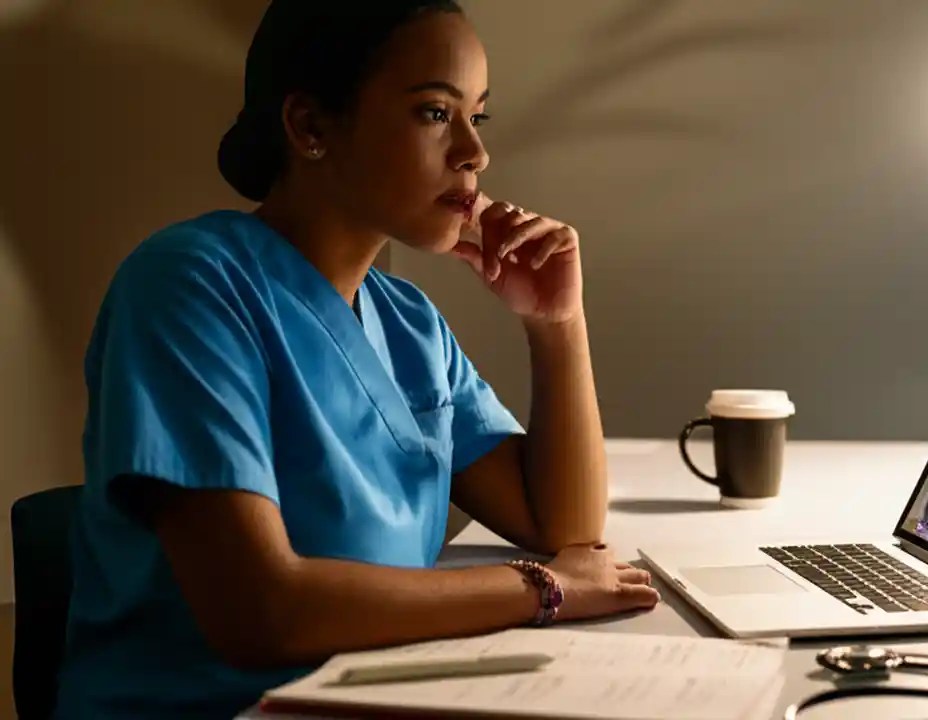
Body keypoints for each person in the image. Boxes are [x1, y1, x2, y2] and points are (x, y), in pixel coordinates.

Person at [54, 2, 659, 718]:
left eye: (478, 117)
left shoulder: (408, 324)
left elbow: (565, 528)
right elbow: (262, 613)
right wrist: (542, 589)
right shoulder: (188, 287)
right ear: (310, 127)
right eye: (436, 113)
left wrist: (556, 324)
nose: (474, 153)